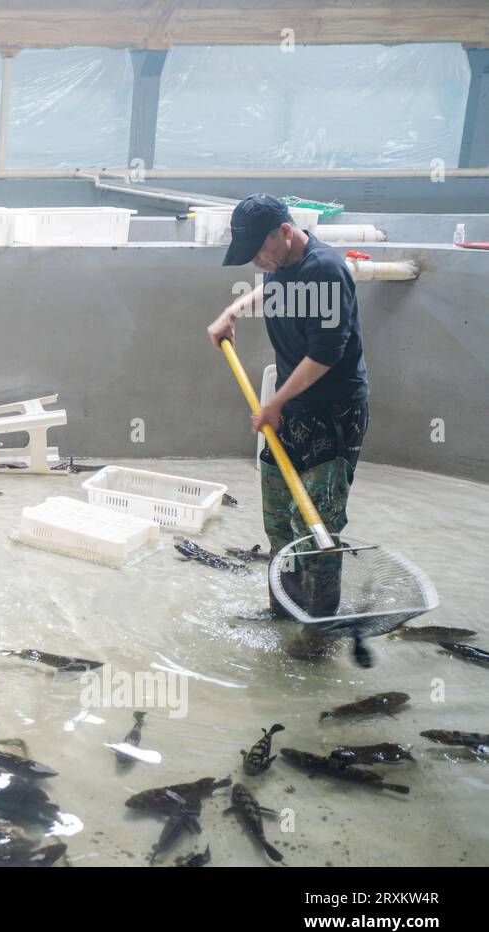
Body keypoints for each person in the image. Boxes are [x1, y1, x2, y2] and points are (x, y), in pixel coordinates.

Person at [207, 195, 368, 632]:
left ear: (284, 231)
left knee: (317, 526)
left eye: (258, 250)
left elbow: (326, 354)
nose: (256, 262)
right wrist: (233, 311)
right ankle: (283, 611)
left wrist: (273, 404)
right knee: (279, 518)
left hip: (332, 415)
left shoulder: (326, 269)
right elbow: (275, 290)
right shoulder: (281, 266)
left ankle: (318, 631)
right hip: (290, 411)